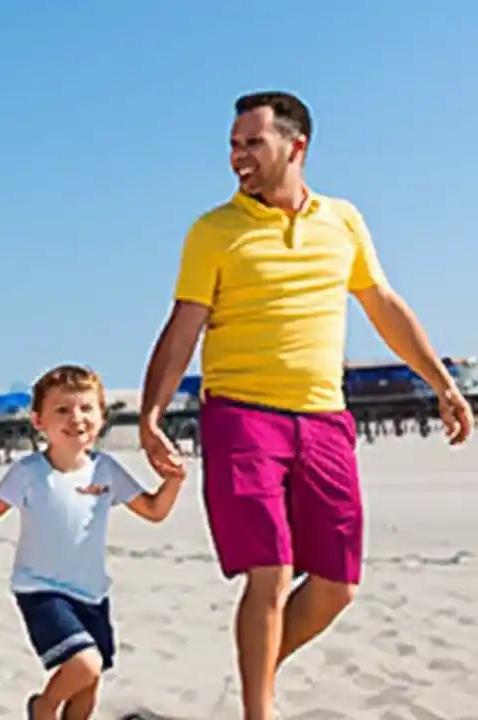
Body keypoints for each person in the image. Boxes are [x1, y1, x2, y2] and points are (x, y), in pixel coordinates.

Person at [138, 91, 475, 720]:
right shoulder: (213, 231)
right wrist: (152, 413)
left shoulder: (343, 220)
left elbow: (383, 306)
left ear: (297, 146)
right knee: (269, 570)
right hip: (241, 414)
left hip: (324, 418)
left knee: (336, 585)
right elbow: (183, 325)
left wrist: (442, 383)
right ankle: (258, 711)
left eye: (252, 143)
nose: (238, 156)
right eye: (233, 145)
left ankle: (257, 678)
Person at [0, 365, 183, 720]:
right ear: (38, 421)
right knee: (85, 663)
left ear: (102, 417)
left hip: (93, 593)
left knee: (88, 687)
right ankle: (43, 707)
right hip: (41, 590)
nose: (76, 418)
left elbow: (153, 510)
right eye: (62, 409)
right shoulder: (29, 472)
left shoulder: (106, 469)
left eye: (86, 408)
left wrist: (173, 482)